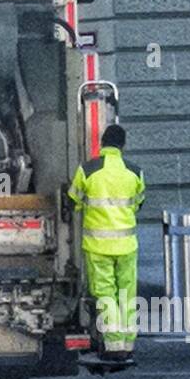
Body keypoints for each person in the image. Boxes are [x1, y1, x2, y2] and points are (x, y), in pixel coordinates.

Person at [68, 122, 145, 362]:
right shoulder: (135, 172)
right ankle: (128, 343)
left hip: (98, 246)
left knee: (106, 295)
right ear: (123, 145)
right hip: (127, 245)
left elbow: (73, 201)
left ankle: (113, 346)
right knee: (126, 295)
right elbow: (138, 203)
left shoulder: (88, 170)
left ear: (102, 144)